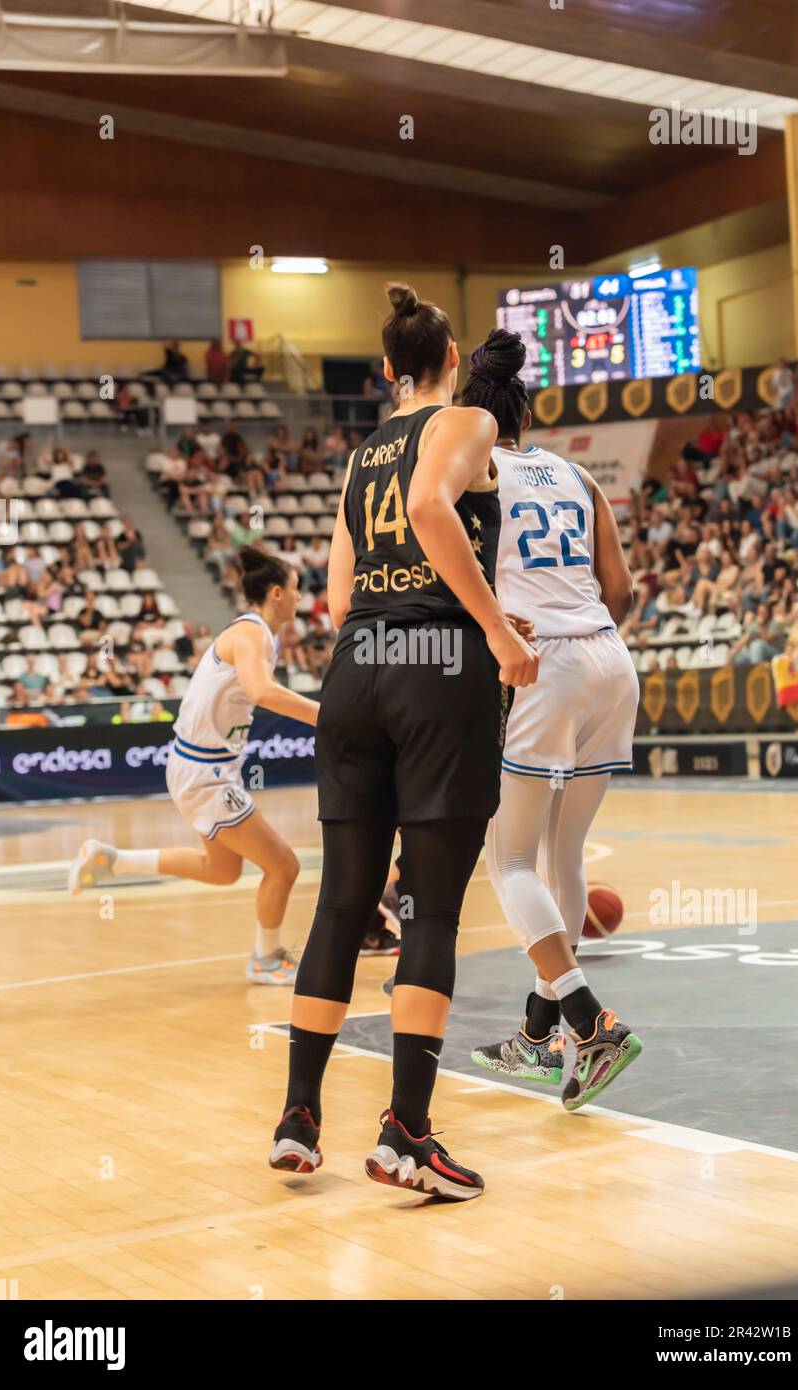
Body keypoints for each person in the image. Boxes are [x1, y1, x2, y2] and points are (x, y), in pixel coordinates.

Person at [268, 283, 537, 1198]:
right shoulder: (465, 424)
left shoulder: (354, 461)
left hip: (356, 671)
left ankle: (299, 1117)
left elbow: (340, 603)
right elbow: (430, 508)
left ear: (386, 371)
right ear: (449, 361)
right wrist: (498, 632)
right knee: (427, 910)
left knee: (342, 908)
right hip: (437, 671)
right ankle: (405, 1134)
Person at [463, 329, 642, 1113]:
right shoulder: (575, 473)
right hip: (610, 658)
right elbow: (622, 588)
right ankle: (542, 1041)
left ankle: (586, 1020)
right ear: (527, 412)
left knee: (507, 862)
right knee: (561, 854)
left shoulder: (475, 470)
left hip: (548, 666)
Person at [68, 551, 320, 986]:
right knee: (284, 866)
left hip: (202, 766)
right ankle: (265, 958)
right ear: (277, 593)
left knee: (223, 871)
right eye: (296, 588)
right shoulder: (251, 635)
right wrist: (328, 715)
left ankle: (111, 860)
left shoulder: (258, 636)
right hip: (206, 772)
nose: (300, 596)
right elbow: (263, 691)